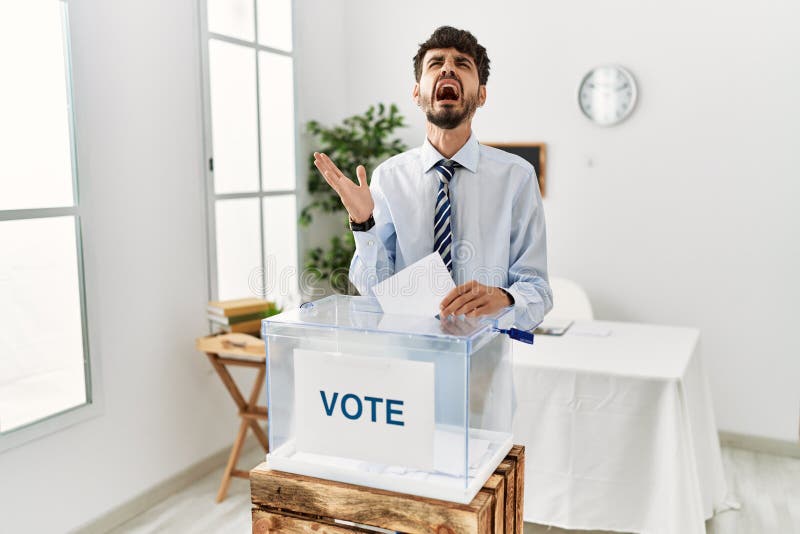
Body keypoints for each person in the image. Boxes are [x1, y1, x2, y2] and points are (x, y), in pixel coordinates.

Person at [313, 26, 552, 329]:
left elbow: (539, 291)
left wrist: (505, 298)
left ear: (481, 95)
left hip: (484, 362)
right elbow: (373, 292)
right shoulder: (389, 178)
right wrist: (363, 223)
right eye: (436, 63)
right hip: (410, 359)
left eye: (462, 64)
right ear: (416, 92)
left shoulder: (516, 178)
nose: (448, 68)